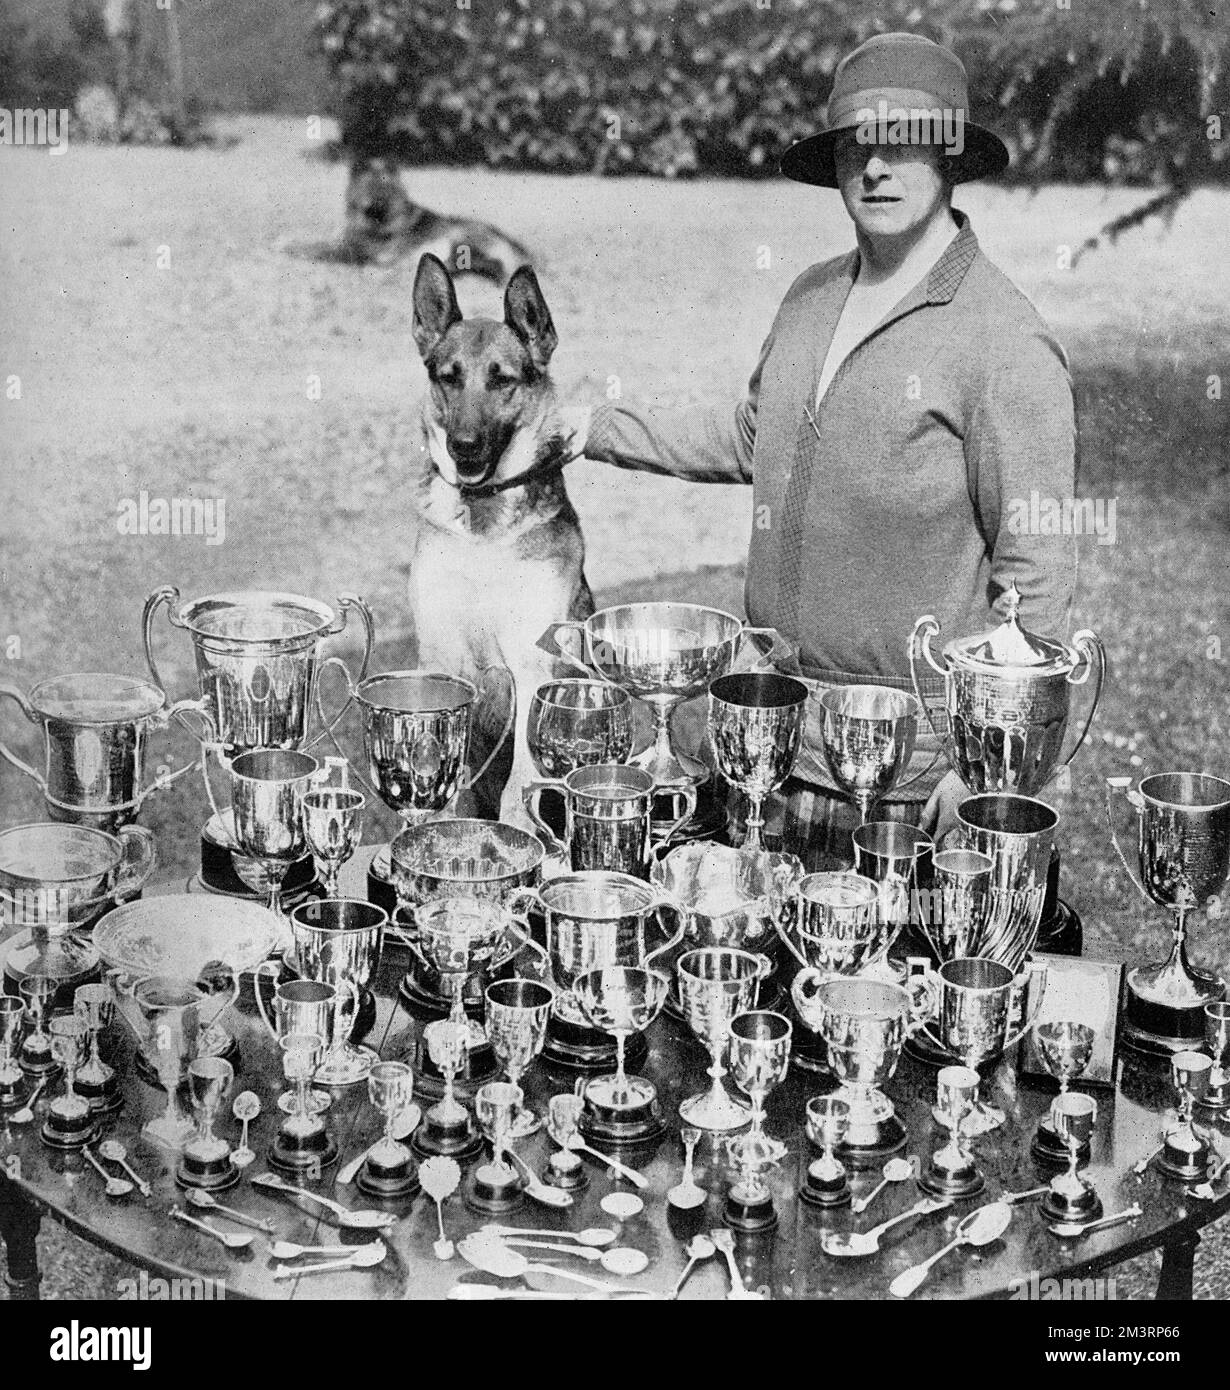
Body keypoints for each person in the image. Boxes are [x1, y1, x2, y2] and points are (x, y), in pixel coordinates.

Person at [567, 32, 1078, 868]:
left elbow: (1039, 572)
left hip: (913, 784)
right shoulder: (810, 297)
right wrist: (591, 428)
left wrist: (986, 771)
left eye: (901, 143)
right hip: (766, 745)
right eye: (855, 145)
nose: (875, 167)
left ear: (949, 156)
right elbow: (753, 435)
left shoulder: (1003, 339)